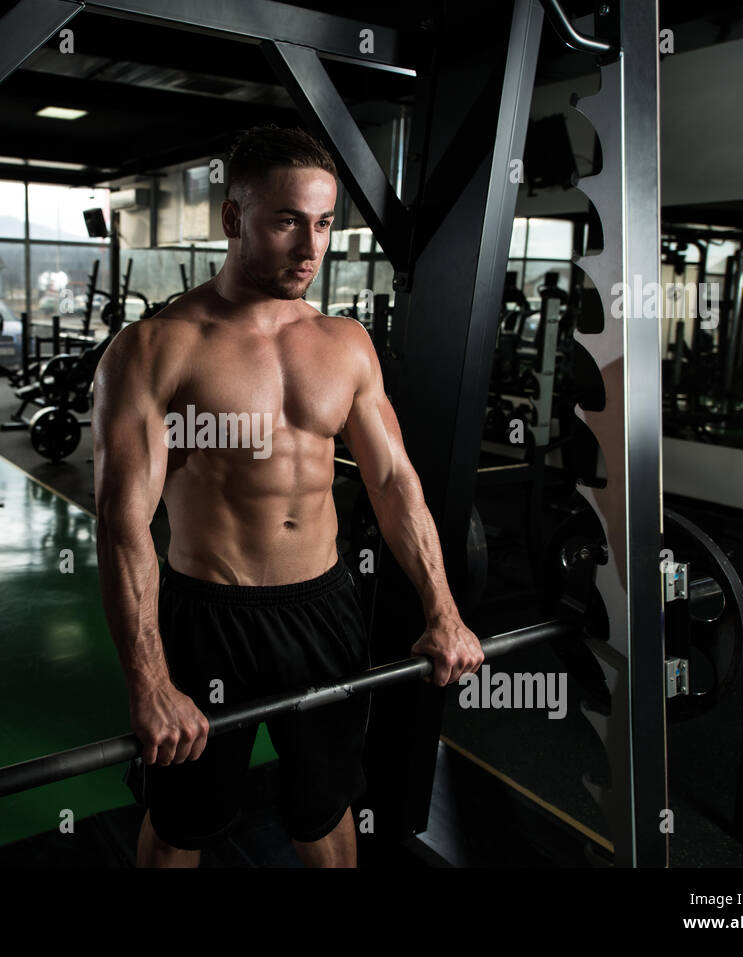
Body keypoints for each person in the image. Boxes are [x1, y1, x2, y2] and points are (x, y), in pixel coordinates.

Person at [92, 125, 483, 868]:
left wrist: (443, 610)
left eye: (326, 222)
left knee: (324, 807)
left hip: (325, 610)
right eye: (286, 221)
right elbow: (122, 526)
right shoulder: (154, 348)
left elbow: (394, 481)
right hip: (208, 616)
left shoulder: (346, 343)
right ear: (232, 218)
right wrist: (150, 684)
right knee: (181, 821)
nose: (311, 246)